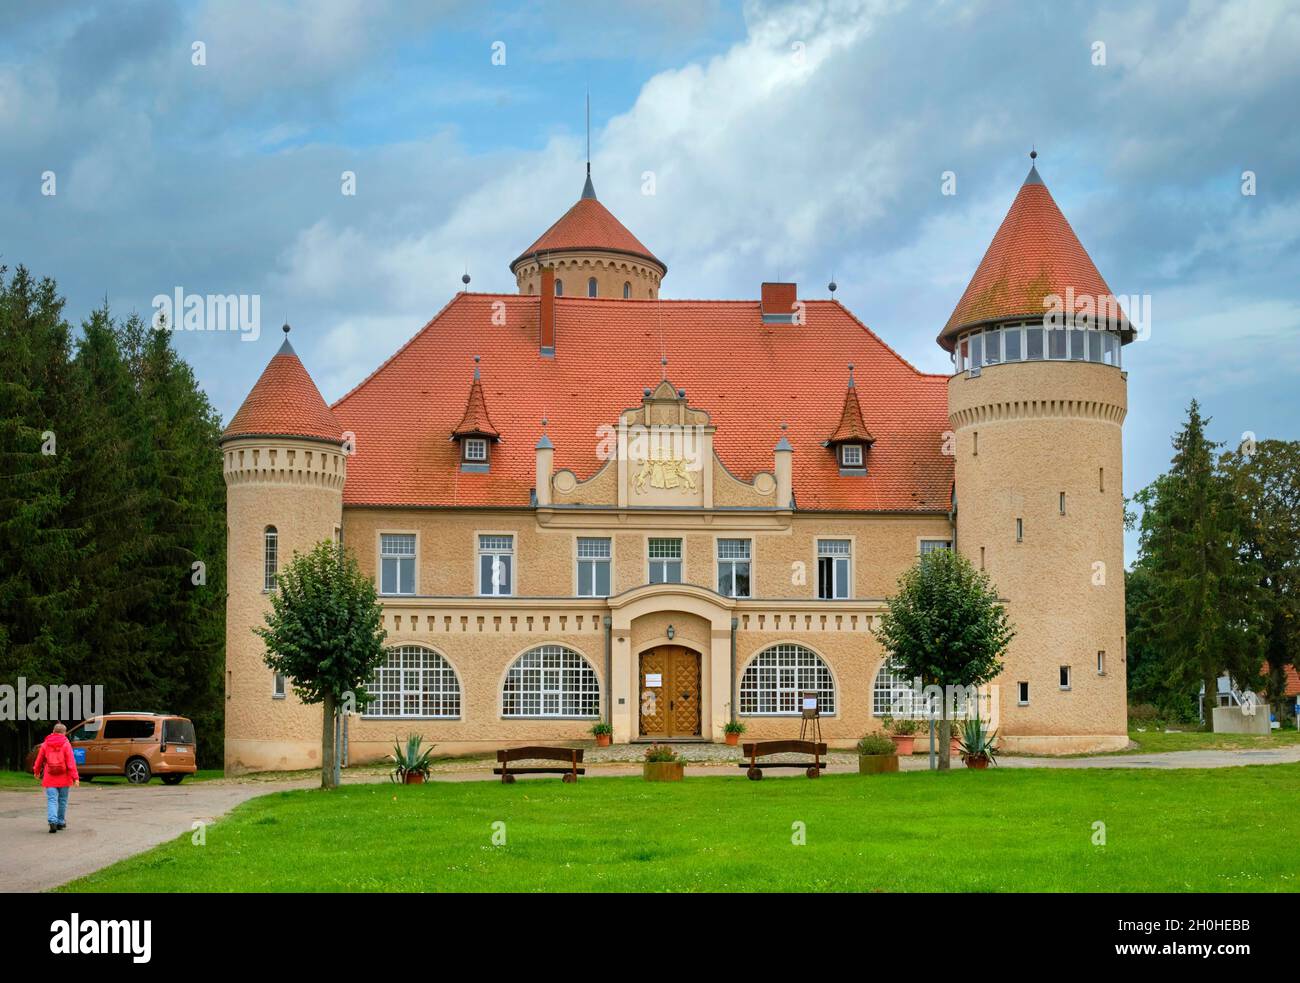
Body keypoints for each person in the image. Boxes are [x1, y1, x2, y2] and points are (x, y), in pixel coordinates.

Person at [33, 723, 80, 833]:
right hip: (64, 777)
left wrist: (36, 771)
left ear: (53, 731)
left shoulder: (45, 744)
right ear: (64, 733)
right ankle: (60, 822)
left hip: (50, 777)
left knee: (52, 800)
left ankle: (52, 821)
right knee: (62, 800)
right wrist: (75, 777)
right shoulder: (66, 744)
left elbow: (39, 759)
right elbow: (71, 762)